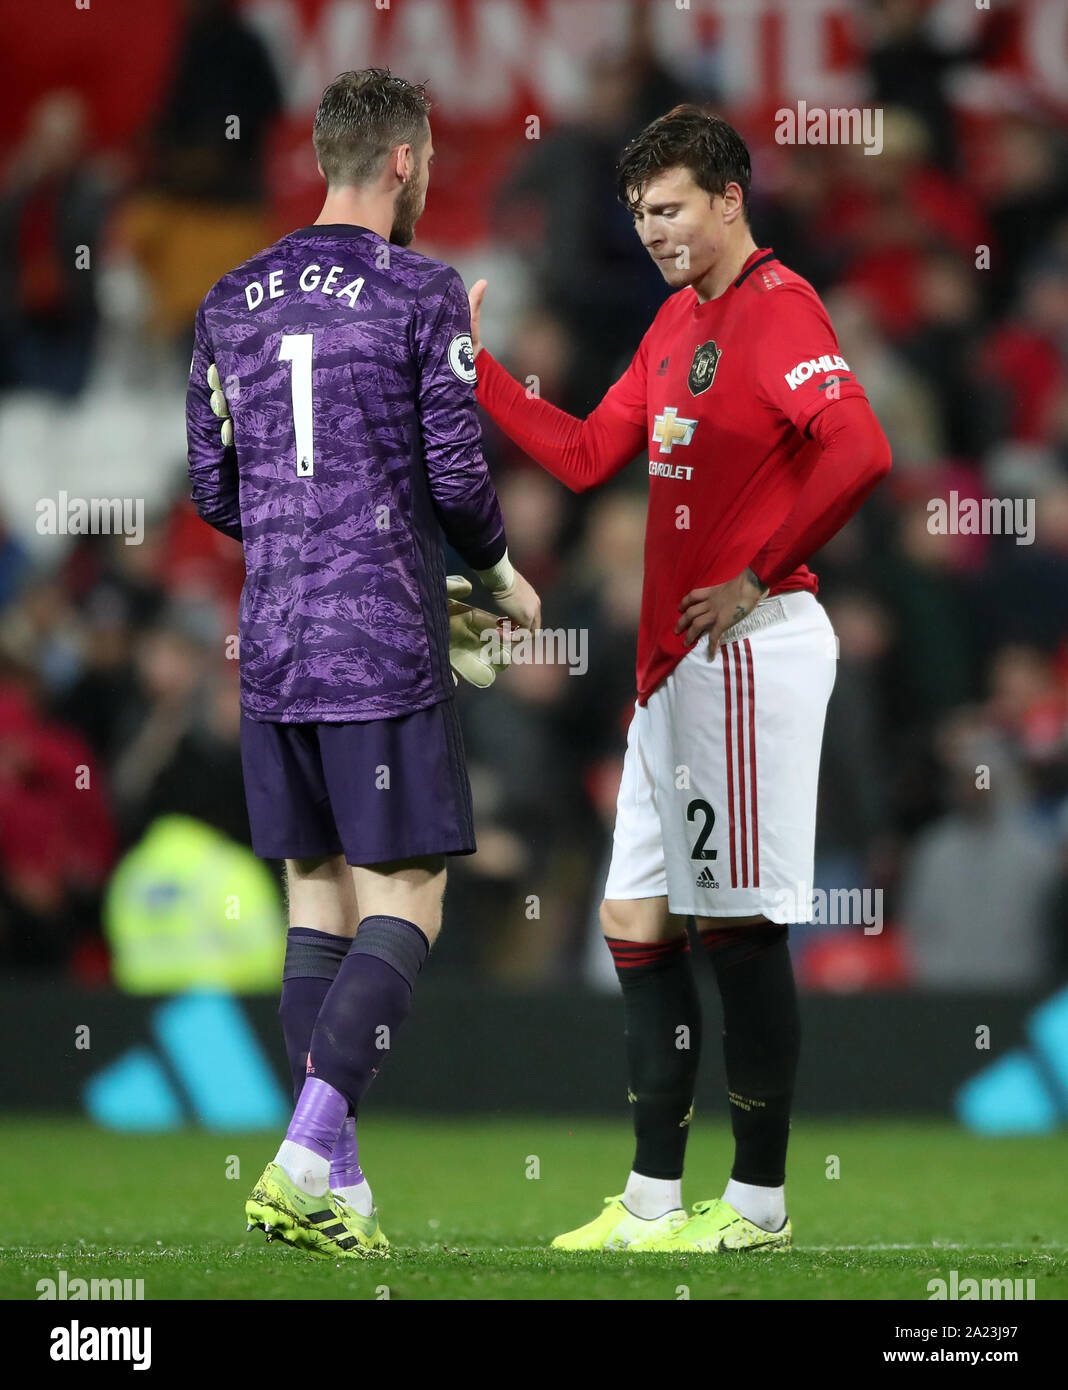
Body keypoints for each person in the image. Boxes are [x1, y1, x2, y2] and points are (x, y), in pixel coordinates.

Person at [470, 105, 892, 1251]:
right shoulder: (673, 324)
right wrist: (477, 373)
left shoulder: (778, 308)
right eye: (641, 215)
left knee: (735, 927)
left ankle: (757, 1205)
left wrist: (755, 571)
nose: (656, 231)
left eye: (671, 209)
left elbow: (861, 445)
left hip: (746, 650)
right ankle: (654, 1200)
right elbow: (584, 453)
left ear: (728, 200)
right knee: (635, 919)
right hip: (673, 668)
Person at [186, 68, 539, 1259]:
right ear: (401, 160)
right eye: (427, 155)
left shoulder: (230, 297)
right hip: (380, 647)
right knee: (410, 898)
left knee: (316, 905)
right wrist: (492, 575)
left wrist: (317, 537)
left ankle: (336, 1182)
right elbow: (454, 475)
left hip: (273, 643)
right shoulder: (418, 291)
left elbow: (214, 487)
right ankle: (300, 1156)